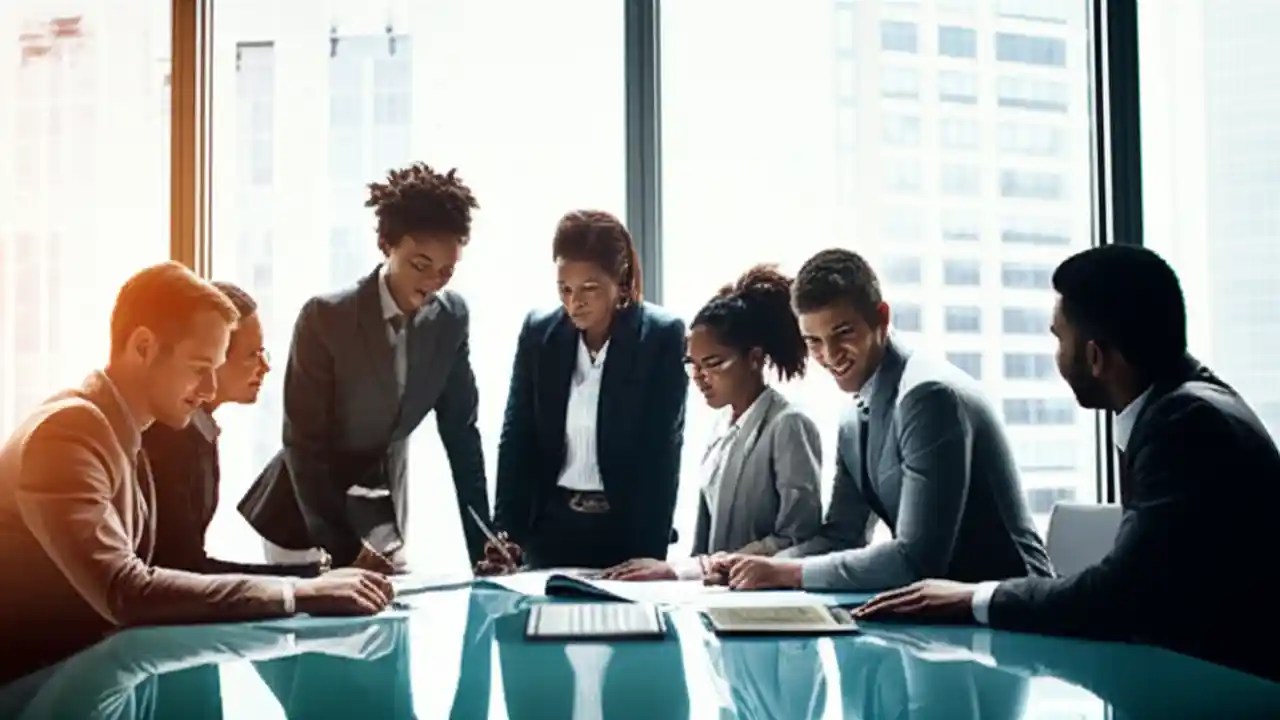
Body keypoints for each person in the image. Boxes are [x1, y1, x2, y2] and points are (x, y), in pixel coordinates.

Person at [855, 245, 1280, 682]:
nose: (1056, 354)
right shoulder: (1183, 405)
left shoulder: (1184, 424)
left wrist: (973, 598)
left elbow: (1121, 596)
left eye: (1059, 338)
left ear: (1096, 356)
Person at [0, 263, 392, 683]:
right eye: (198, 367)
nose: (208, 390)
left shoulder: (124, 433)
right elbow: (124, 591)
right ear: (143, 347)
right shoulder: (69, 431)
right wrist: (298, 591)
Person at [713, 248, 1052, 591]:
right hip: (940, 619)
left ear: (881, 318)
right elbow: (843, 535)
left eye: (843, 333)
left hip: (1009, 611)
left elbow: (917, 560)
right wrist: (757, 567)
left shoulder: (928, 397)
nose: (829, 356)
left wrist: (788, 575)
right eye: (814, 341)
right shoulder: (852, 417)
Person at [238, 162, 490, 570]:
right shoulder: (324, 317)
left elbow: (461, 435)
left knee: (391, 631)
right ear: (387, 245)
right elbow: (303, 446)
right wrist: (347, 551)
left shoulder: (451, 318)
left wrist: (484, 544)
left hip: (384, 516)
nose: (432, 283)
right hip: (306, 518)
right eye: (419, 264)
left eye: (446, 270)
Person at [480, 210, 687, 571]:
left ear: (620, 281)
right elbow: (517, 438)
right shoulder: (539, 333)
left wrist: (652, 556)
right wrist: (507, 534)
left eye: (589, 288)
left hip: (626, 533)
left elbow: (662, 455)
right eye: (565, 289)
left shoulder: (661, 337)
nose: (575, 302)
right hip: (551, 530)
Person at [143, 281, 386, 576]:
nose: (265, 366)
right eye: (252, 354)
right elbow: (182, 569)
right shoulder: (170, 438)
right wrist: (309, 578)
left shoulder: (200, 432)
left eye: (263, 352)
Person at [602, 265, 822, 581]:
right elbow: (703, 547)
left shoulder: (788, 425)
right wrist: (680, 573)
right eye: (693, 366)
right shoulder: (720, 428)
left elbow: (798, 540)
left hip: (765, 595)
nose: (700, 379)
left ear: (755, 358)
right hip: (718, 593)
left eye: (714, 364)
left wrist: (692, 569)